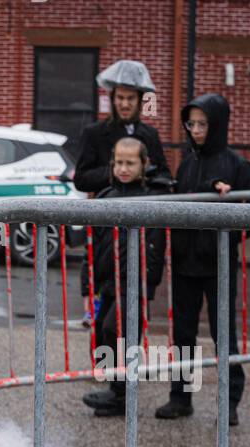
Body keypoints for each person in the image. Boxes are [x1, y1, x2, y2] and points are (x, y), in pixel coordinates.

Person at [159, 93, 250, 424]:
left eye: (202, 124)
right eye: (192, 123)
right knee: (183, 334)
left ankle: (229, 403)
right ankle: (180, 396)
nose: (196, 130)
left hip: (219, 266)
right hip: (185, 263)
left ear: (217, 126)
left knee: (223, 335)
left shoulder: (237, 165)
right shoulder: (187, 162)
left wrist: (226, 230)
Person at [80, 137, 174, 417]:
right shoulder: (106, 196)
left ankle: (122, 393)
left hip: (134, 282)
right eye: (118, 162)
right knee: (103, 332)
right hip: (109, 281)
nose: (123, 168)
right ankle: (116, 391)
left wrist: (148, 283)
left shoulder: (152, 196)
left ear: (144, 164)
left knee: (119, 331)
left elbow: (156, 247)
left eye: (130, 163)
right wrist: (89, 284)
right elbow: (92, 243)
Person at [73, 60, 169, 195]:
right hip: (106, 208)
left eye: (130, 98)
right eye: (120, 97)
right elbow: (81, 180)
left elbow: (164, 175)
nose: (124, 104)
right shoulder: (93, 133)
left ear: (140, 100)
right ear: (112, 99)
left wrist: (144, 172)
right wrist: (115, 170)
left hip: (143, 208)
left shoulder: (151, 134)